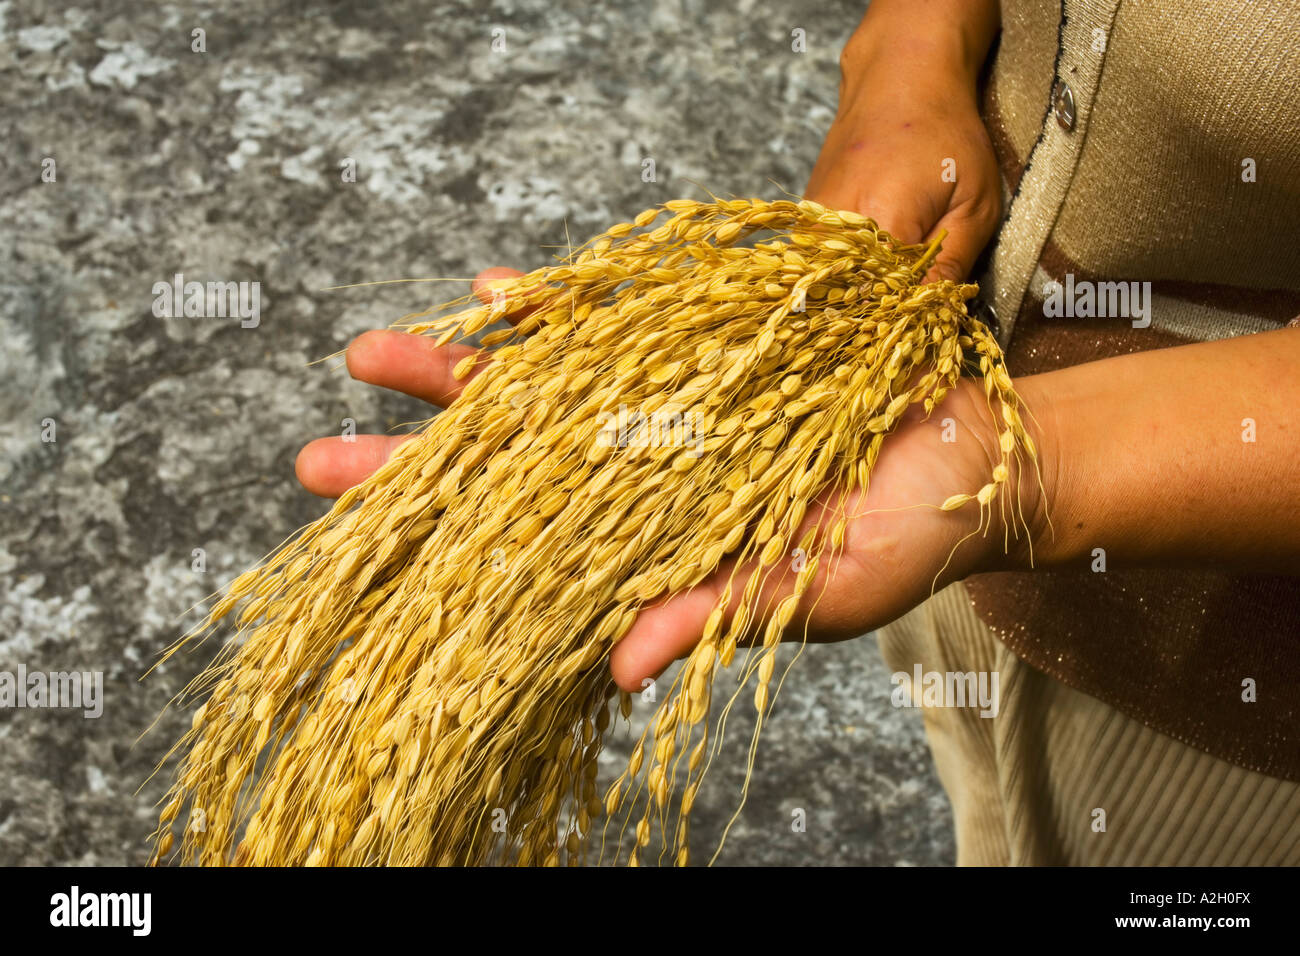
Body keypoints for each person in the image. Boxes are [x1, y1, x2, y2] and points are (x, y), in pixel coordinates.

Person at [295, 0, 1300, 864]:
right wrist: (912, 45)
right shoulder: (906, 465)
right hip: (921, 464)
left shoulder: (951, 485)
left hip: (1227, 679)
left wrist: (1027, 464)